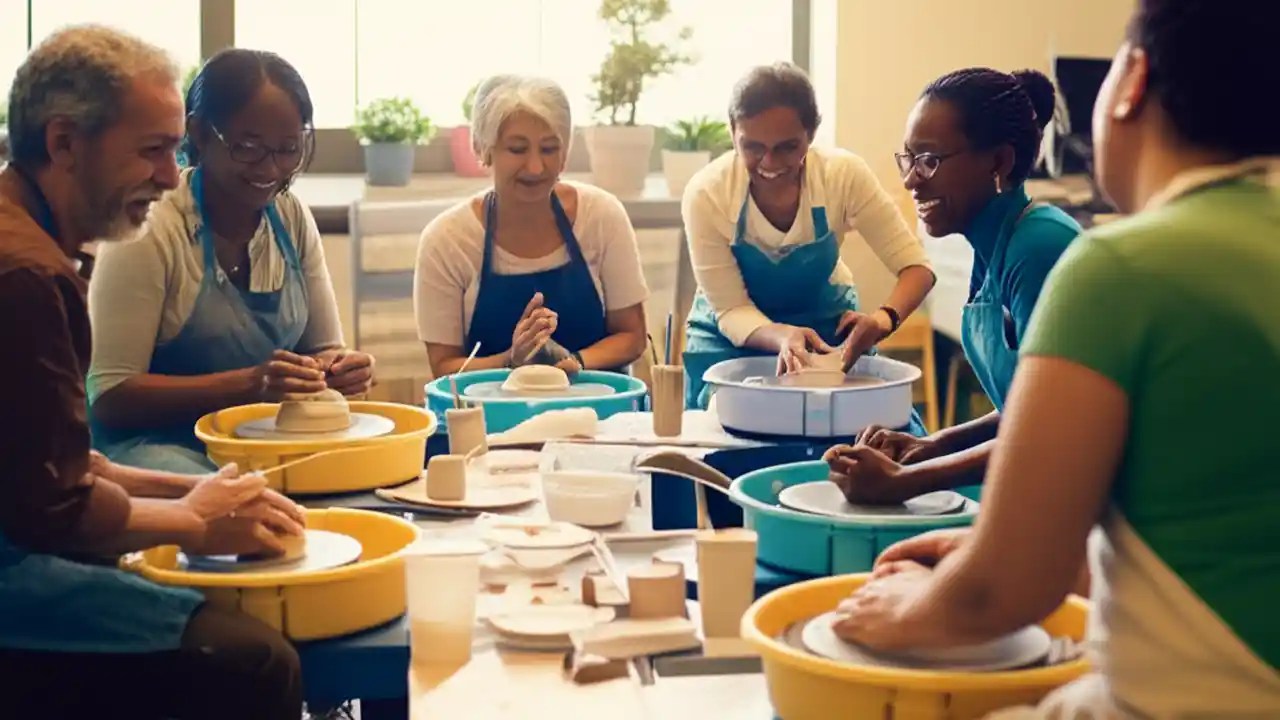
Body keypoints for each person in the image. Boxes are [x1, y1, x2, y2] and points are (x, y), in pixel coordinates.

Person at [831, 1, 1280, 716]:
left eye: (928, 159)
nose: (912, 178)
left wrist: (876, 614)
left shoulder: (1116, 267)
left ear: (1129, 80)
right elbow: (1215, 517)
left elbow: (1001, 591)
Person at [0, 26, 304, 718]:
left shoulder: (33, 242)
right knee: (258, 663)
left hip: (33, 520)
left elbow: (55, 463)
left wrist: (203, 494)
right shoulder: (24, 275)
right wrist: (192, 522)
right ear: (64, 143)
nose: (172, 176)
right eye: (153, 150)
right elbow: (53, 508)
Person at [87, 48, 374, 474]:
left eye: (288, 149)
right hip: (153, 452)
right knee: (237, 507)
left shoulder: (290, 216)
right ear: (200, 134)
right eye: (249, 147)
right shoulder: (153, 226)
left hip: (260, 445)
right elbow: (109, 397)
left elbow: (324, 349)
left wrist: (341, 370)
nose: (271, 168)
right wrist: (249, 385)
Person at [824, 68, 1082, 504]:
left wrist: (907, 480)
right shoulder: (992, 247)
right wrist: (934, 445)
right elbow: (1025, 407)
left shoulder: (1039, 247)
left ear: (998, 162)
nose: (910, 180)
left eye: (929, 160)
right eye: (908, 159)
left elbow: (1057, 430)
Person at [680, 62, 936, 413]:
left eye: (787, 147)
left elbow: (916, 268)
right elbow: (732, 307)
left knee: (856, 435)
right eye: (752, 146)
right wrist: (783, 335)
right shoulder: (707, 193)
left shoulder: (842, 177)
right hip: (730, 336)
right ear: (732, 132)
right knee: (725, 432)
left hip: (822, 330)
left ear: (811, 134)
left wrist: (881, 320)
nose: (769, 162)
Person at [414, 75, 649, 376]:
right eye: (517, 149)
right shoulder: (447, 241)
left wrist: (573, 363)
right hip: (492, 414)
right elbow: (445, 367)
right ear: (483, 149)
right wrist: (513, 361)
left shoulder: (601, 216)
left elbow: (632, 337)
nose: (536, 167)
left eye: (549, 149)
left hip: (600, 409)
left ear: (565, 153)